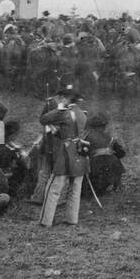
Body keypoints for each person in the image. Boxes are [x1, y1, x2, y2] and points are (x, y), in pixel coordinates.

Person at [38, 88, 88, 228]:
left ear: (66, 99)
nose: (59, 101)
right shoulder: (82, 114)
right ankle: (72, 219)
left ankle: (46, 221)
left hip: (66, 152)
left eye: (61, 99)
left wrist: (59, 109)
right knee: (75, 188)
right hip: (80, 152)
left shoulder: (64, 113)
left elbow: (43, 119)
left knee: (54, 188)